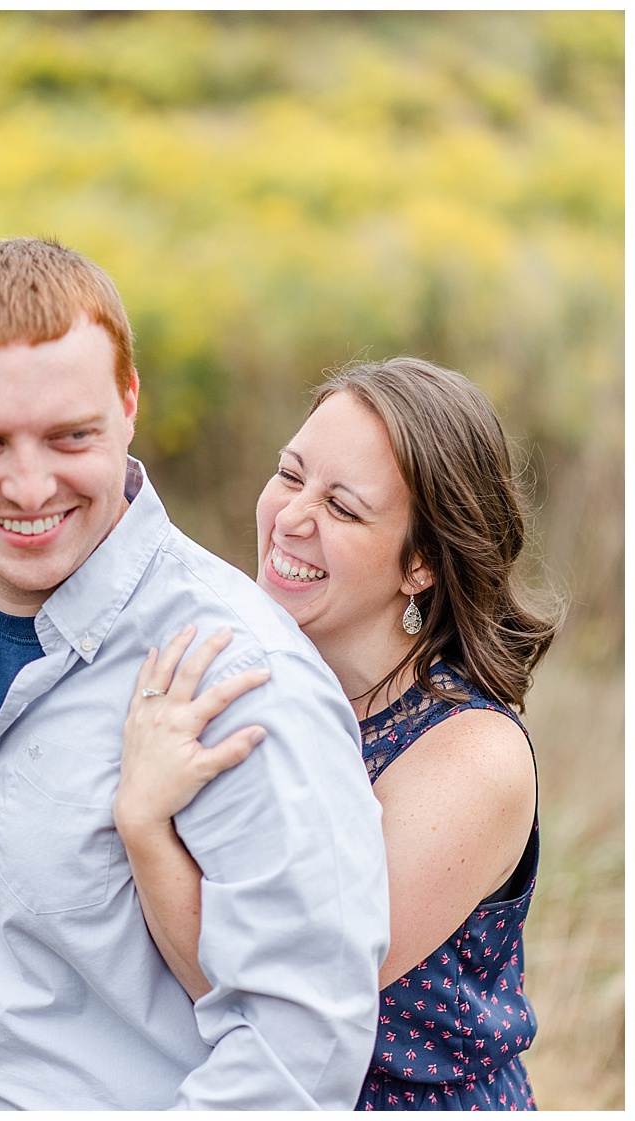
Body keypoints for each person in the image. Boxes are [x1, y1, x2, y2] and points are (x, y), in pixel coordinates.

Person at [0, 237, 389, 1110]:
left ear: (128, 404)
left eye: (69, 436)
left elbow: (297, 1051)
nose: (30, 485)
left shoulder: (239, 676)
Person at [109, 358, 559, 1109]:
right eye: (290, 474)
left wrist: (144, 824)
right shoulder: (246, 674)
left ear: (419, 563)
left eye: (342, 508)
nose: (291, 517)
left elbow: (273, 996)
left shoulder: (473, 756)